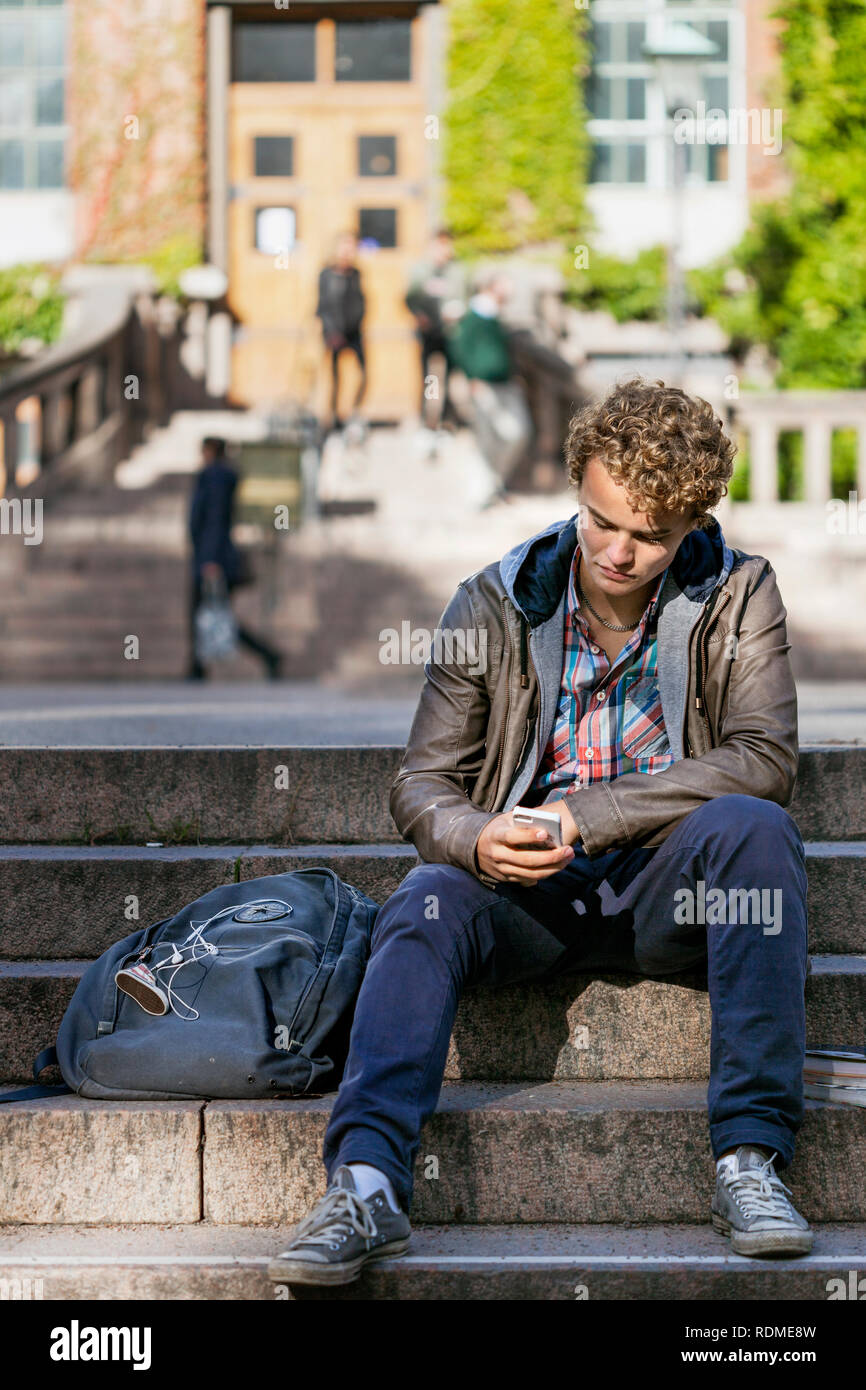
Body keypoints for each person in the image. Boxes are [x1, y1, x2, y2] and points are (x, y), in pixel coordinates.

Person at [268, 378, 811, 1287]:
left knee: (756, 831)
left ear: (690, 528)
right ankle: (363, 1183)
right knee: (424, 898)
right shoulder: (493, 601)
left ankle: (749, 1163)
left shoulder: (739, 591)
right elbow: (422, 783)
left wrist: (592, 813)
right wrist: (476, 840)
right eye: (603, 522)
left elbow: (764, 759)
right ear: (578, 489)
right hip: (525, 885)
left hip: (666, 881)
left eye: (652, 537)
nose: (620, 553)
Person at [188, 437, 283, 680]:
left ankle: (200, 667)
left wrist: (210, 560)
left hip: (212, 560)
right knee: (214, 614)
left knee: (210, 613)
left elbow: (214, 521)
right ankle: (199, 666)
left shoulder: (215, 477)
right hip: (213, 557)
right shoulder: (218, 477)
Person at [449, 271, 532, 503]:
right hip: (484, 386)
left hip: (505, 384)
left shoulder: (495, 317)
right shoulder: (475, 316)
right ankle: (482, 492)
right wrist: (472, 376)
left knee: (517, 433)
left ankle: (495, 482)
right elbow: (460, 347)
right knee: (486, 439)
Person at [405, 228, 467, 430]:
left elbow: (463, 298)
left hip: (450, 331)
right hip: (428, 332)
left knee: (449, 377)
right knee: (429, 377)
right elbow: (410, 298)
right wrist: (420, 316)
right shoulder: (421, 271)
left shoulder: (457, 271)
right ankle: (426, 416)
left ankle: (447, 417)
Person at [316, 231, 367, 434]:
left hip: (354, 332)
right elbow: (323, 306)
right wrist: (332, 331)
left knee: (362, 374)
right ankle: (333, 416)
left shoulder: (356, 274)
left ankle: (353, 411)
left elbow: (360, 302)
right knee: (334, 377)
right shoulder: (327, 275)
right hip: (334, 334)